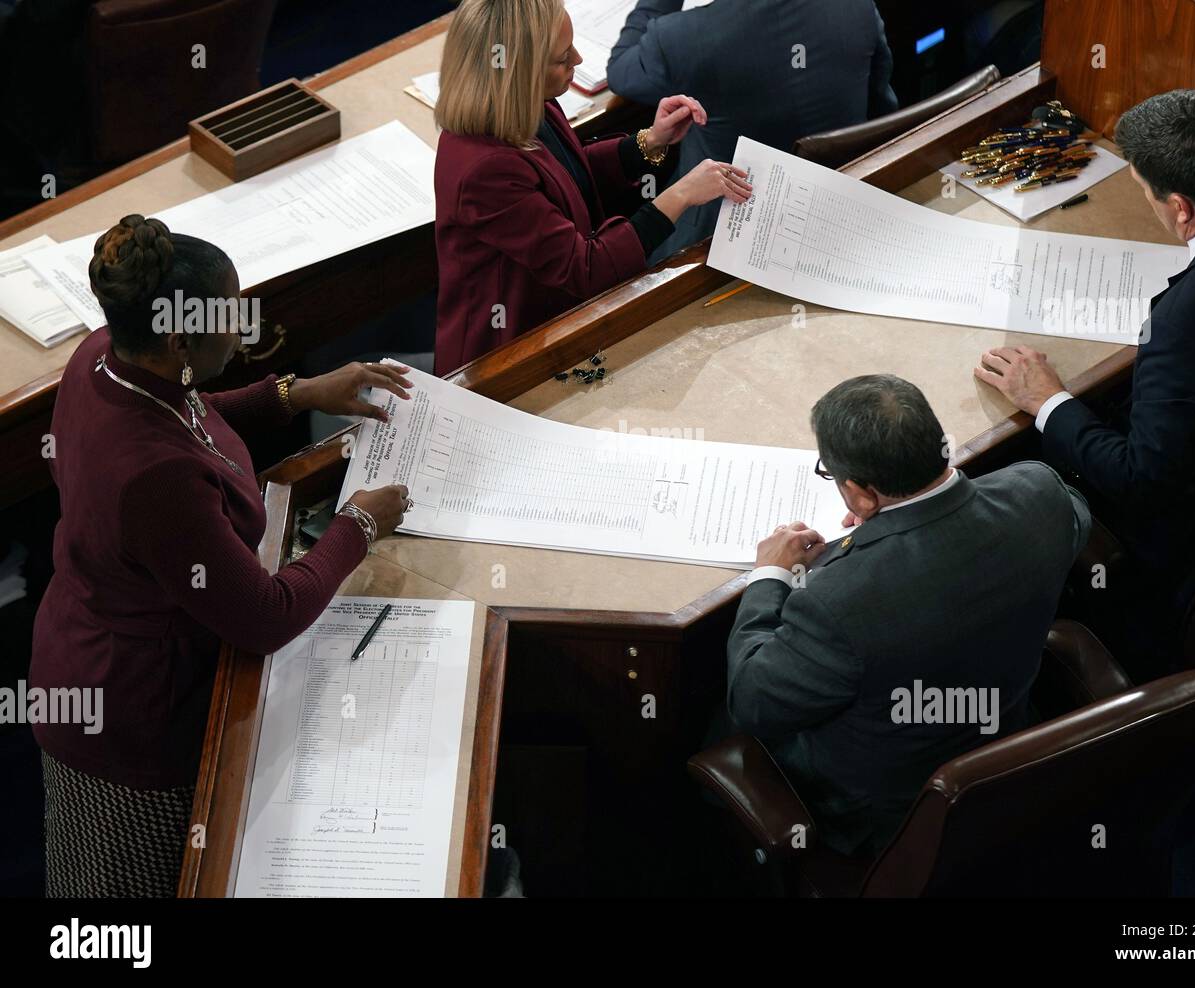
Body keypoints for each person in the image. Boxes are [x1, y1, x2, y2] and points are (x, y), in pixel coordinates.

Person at [29, 214, 412, 897]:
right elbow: (267, 616)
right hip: (129, 723)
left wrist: (299, 392)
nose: (245, 329)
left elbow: (194, 411)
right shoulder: (155, 478)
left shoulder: (105, 355)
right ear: (176, 337)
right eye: (230, 317)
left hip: (98, 649)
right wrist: (356, 524)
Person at [973, 89, 1195, 669]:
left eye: (1142, 190)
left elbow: (1139, 479)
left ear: (1179, 208)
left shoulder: (1185, 322)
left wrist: (1049, 400)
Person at [725, 375, 1089, 858]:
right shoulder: (1038, 492)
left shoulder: (835, 602)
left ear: (859, 496)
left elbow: (752, 702)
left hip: (884, 814)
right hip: (1008, 745)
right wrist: (902, 522)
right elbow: (1075, 516)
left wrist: (771, 575)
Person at [433, 0, 751, 371]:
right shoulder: (484, 170)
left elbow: (567, 174)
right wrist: (680, 195)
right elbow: (585, 269)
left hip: (557, 324)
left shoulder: (532, 105)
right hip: (506, 358)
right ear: (520, 72)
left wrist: (649, 142)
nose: (579, 60)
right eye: (563, 56)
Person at [607, 0, 897, 262]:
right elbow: (883, 113)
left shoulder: (681, 37)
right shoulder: (857, 7)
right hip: (849, 210)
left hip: (716, 246)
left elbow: (621, 71)